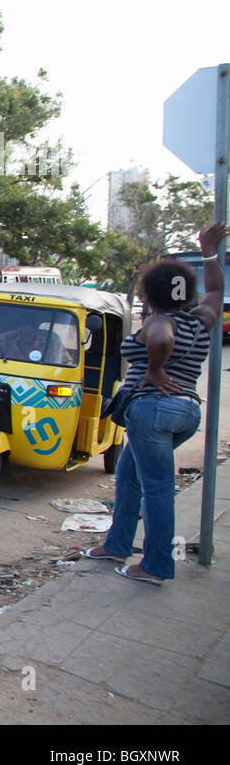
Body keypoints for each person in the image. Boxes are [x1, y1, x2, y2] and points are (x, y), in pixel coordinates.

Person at [80, 221, 225, 583]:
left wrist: (155, 369)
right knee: (129, 476)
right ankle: (116, 544)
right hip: (185, 410)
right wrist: (207, 250)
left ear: (151, 298)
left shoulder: (159, 321)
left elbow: (160, 338)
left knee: (157, 487)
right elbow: (216, 290)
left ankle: (156, 565)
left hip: (153, 409)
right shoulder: (201, 319)